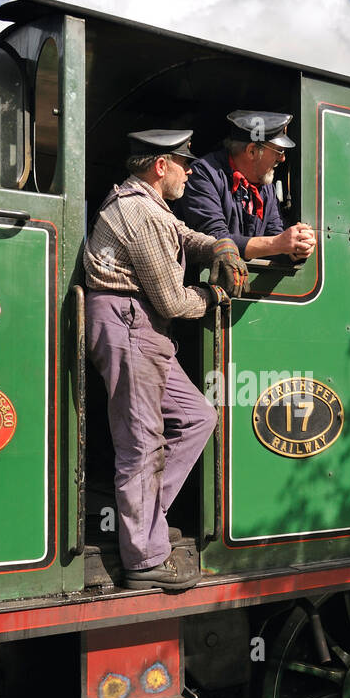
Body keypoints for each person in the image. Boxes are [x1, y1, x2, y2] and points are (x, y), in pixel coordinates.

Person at [83, 129, 248, 591]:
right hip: (129, 319)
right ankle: (144, 559)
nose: (191, 171)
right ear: (160, 166)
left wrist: (220, 245)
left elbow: (188, 236)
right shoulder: (136, 211)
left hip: (141, 324)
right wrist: (214, 294)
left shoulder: (151, 206)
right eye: (184, 163)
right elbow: (174, 301)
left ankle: (143, 521)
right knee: (141, 441)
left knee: (197, 417)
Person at [177, 110, 316, 273]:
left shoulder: (267, 189)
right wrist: (277, 243)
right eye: (279, 150)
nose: (282, 158)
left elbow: (275, 235)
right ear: (252, 151)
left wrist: (296, 248)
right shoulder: (203, 174)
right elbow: (215, 240)